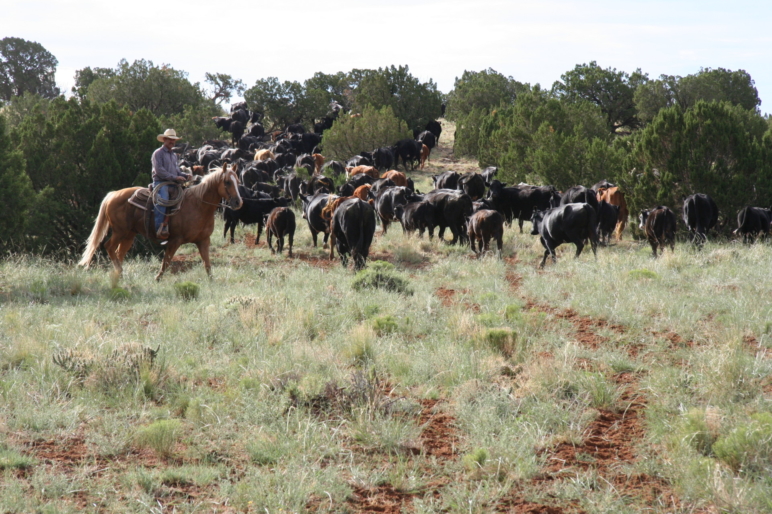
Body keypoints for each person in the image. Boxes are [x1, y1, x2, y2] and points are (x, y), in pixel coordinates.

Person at [152, 129, 191, 239]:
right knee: (162, 201)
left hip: (173, 183)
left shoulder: (174, 155)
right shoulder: (158, 153)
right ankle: (159, 229)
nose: (172, 142)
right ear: (164, 139)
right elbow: (159, 170)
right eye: (170, 139)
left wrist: (185, 175)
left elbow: (177, 170)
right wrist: (175, 177)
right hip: (161, 182)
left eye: (173, 140)